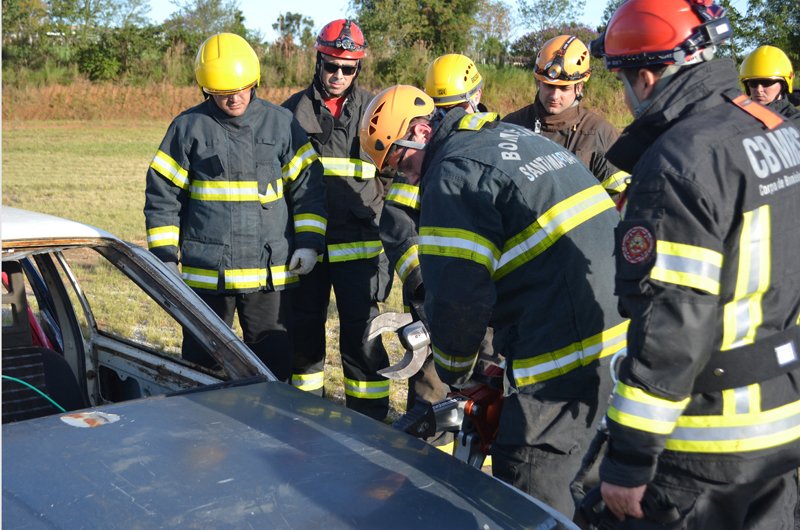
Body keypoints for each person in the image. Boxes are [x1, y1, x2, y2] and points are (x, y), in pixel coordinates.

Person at [360, 85, 627, 517]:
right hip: (620, 336)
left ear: (423, 131)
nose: (404, 178)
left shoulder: (452, 172)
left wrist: (456, 371)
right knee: (591, 482)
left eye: (398, 162)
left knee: (527, 483)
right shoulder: (517, 138)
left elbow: (459, 299)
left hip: (565, 354)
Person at [590, 0, 800, 527]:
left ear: (643, 76)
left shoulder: (679, 162)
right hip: (783, 425)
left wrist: (630, 458)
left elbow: (671, 328)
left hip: (709, 444)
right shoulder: (778, 132)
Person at [145, 33, 327, 382]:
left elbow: (308, 185)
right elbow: (162, 194)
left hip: (268, 276)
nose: (235, 98)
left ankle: (270, 431)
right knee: (203, 369)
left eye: (242, 88)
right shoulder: (188, 128)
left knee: (272, 367)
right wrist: (165, 256)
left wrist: (308, 241)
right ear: (206, 90)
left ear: (254, 80)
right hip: (208, 276)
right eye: (223, 93)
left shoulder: (281, 124)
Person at [379, 54, 492, 448]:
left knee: (490, 388)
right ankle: (427, 456)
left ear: (477, 96)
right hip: (438, 300)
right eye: (442, 109)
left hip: (488, 302)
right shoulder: (422, 155)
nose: (451, 117)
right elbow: (396, 222)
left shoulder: (493, 140)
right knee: (432, 389)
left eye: (459, 106)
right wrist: (427, 288)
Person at [282, 19, 391, 421]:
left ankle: (372, 420)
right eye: (332, 66)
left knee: (364, 343)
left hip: (361, 251)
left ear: (359, 68)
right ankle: (305, 419)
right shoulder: (289, 114)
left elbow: (395, 184)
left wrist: (389, 253)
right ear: (319, 61)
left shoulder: (378, 114)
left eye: (349, 68)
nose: (338, 76)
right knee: (304, 339)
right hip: (306, 250)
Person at [503, 35, 629, 201]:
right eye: (549, 86)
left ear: (579, 87)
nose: (555, 96)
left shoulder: (601, 134)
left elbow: (619, 202)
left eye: (564, 89)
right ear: (538, 82)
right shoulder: (510, 126)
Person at [739, 45, 799, 121]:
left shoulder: (795, 122)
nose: (758, 89)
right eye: (753, 83)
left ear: (784, 85)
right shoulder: (737, 116)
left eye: (766, 82)